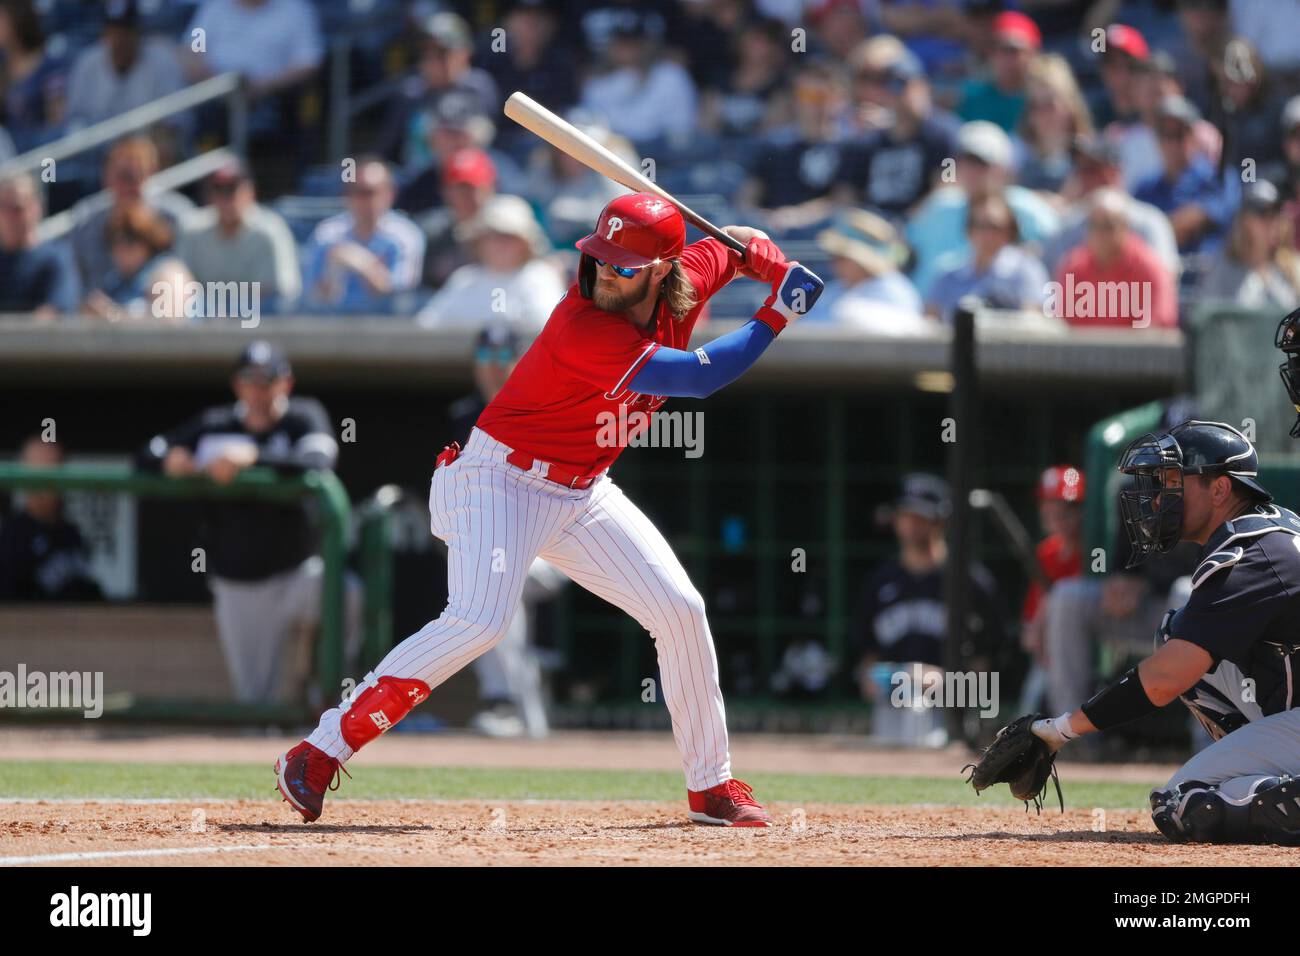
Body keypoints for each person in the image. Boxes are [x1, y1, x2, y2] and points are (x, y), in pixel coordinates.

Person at [275, 193, 826, 828]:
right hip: (497, 478)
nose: (606, 274)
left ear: (662, 269)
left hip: (582, 488)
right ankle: (319, 750)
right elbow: (699, 376)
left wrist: (757, 255)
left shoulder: (685, 272)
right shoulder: (581, 325)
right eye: (600, 258)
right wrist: (780, 309)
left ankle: (712, 788)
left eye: (624, 265)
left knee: (681, 610)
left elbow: (727, 242)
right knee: (480, 619)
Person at [1012, 421, 1300, 845]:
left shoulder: (1250, 552)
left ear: (1220, 490)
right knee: (1174, 634)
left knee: (1182, 804)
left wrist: (1060, 730)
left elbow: (1165, 680)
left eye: (1172, 483)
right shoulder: (1268, 530)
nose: (1159, 497)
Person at [138, 341, 358, 704]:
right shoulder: (215, 424)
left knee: (346, 593)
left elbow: (317, 462)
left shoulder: (302, 416)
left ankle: (332, 688)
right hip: (238, 582)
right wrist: (170, 460)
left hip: (296, 573)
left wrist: (254, 457)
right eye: (249, 380)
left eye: (266, 379)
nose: (257, 390)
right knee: (257, 702)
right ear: (237, 385)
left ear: (285, 382)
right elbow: (148, 452)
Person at [448, 325, 567, 739]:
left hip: (554, 543)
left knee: (492, 576)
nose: (495, 369)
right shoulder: (463, 417)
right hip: (496, 544)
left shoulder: (546, 405)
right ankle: (520, 709)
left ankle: (504, 699)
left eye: (504, 358)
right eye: (486, 359)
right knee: (490, 578)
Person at [853, 474, 1005, 742]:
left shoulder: (971, 582)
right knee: (906, 698)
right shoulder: (879, 581)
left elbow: (986, 671)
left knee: (917, 703)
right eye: (905, 515)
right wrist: (880, 678)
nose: (911, 524)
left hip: (950, 706)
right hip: (891, 701)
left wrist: (942, 681)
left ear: (941, 521)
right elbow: (868, 658)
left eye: (921, 516)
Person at [905, 120, 1059, 295]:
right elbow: (907, 249)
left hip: (1000, 314)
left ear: (1003, 168)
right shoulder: (940, 204)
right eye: (965, 161)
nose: (972, 170)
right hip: (926, 311)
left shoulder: (1027, 208)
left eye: (980, 163)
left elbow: (1056, 250)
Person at [838, 36, 958, 220]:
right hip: (871, 229)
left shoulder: (943, 134)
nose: (902, 95)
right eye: (893, 86)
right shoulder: (867, 141)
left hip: (920, 228)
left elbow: (946, 189)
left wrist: (909, 224)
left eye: (906, 84)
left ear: (924, 86)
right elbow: (846, 194)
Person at [415, 194, 565, 332]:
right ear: (479, 241)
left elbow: (549, 329)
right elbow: (427, 326)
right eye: (492, 236)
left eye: (509, 237)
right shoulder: (465, 279)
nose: (500, 244)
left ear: (525, 243)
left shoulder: (539, 276)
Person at [1041, 134, 1179, 279]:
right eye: (1081, 171)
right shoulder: (1067, 227)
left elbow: (1164, 281)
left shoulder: (1149, 222)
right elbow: (1047, 283)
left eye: (1093, 170)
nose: (1086, 178)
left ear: (1116, 173)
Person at [67, 136, 193, 293]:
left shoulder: (176, 216)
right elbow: (77, 284)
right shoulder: (86, 221)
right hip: (100, 313)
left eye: (135, 176)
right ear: (106, 176)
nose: (128, 185)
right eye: (123, 175)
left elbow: (186, 281)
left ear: (151, 173)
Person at [301, 158, 425, 315]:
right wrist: (333, 272)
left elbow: (398, 301)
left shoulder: (405, 236)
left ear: (390, 194)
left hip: (387, 328)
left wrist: (362, 263)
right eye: (357, 192)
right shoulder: (327, 234)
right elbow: (312, 299)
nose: (366, 201)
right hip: (334, 327)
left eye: (371, 192)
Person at [177, 159, 301, 312]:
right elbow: (179, 284)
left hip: (260, 319)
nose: (226, 199)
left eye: (232, 189)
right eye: (219, 190)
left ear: (250, 192)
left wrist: (226, 308)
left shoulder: (270, 231)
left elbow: (284, 292)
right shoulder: (192, 229)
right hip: (206, 316)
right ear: (210, 196)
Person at [1052, 188, 1179, 328]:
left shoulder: (1149, 267)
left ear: (1125, 227)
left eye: (1108, 226)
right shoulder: (1074, 266)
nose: (1100, 234)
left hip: (1135, 349)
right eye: (1094, 225)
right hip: (1084, 349)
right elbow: (1062, 325)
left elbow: (1158, 326)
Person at [64, 0, 189, 142]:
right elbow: (74, 124)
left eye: (126, 32)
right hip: (97, 152)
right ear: (104, 34)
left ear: (138, 32)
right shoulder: (87, 64)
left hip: (148, 150)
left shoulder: (162, 62)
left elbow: (176, 126)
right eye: (114, 32)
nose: (120, 40)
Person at [0, 437, 102, 601]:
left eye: (59, 470)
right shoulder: (12, 537)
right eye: (46, 472)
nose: (55, 482)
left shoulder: (71, 533)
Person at [1134, 95, 1232, 258]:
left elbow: (1194, 220)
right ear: (1157, 139)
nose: (1173, 144)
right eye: (1166, 134)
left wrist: (1155, 230)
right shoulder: (1145, 187)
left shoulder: (1218, 177)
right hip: (1162, 277)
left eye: (1180, 134)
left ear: (1194, 137)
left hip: (1209, 277)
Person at [926, 190, 1048, 323]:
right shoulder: (947, 276)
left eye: (994, 227)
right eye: (980, 226)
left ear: (1010, 231)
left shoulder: (1027, 271)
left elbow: (1035, 319)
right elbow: (930, 322)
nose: (987, 235)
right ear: (969, 230)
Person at [577, 15, 698, 145]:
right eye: (622, 43)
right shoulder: (596, 84)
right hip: (616, 152)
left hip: (665, 150)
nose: (628, 50)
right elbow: (591, 126)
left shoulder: (671, 75)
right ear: (610, 47)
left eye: (634, 44)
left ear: (647, 45)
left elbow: (682, 126)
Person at [1019, 466, 1085, 699]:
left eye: (1066, 508)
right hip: (1047, 657)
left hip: (1086, 650)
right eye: (1049, 508)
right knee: (1031, 702)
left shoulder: (1096, 549)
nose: (1057, 517)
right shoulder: (1046, 552)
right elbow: (1029, 629)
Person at [814, 207, 928, 333]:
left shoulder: (895, 291)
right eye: (833, 256)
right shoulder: (833, 290)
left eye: (841, 258)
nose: (833, 264)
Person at [1197, 180, 1300, 311]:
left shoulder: (1293, 267)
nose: (1271, 221)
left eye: (1275, 213)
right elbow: (1208, 319)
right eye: (1263, 214)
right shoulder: (1223, 268)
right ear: (1244, 221)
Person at [82, 203, 193, 322]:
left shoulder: (169, 271)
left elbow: (172, 323)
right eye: (114, 242)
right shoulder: (115, 282)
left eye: (129, 240)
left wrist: (114, 316)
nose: (120, 249)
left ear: (148, 240)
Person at [0, 172, 79, 317]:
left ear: (36, 208)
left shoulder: (56, 259)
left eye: (17, 208)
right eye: (3, 207)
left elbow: (54, 312)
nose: (9, 216)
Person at [956, 10, 1040, 133]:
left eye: (1013, 50)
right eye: (996, 47)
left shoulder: (1043, 102)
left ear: (1033, 53)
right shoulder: (972, 97)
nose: (1005, 57)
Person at [0, 0, 65, 149]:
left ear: (16, 19)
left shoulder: (49, 66)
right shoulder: (2, 65)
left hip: (38, 153)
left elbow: (56, 122)